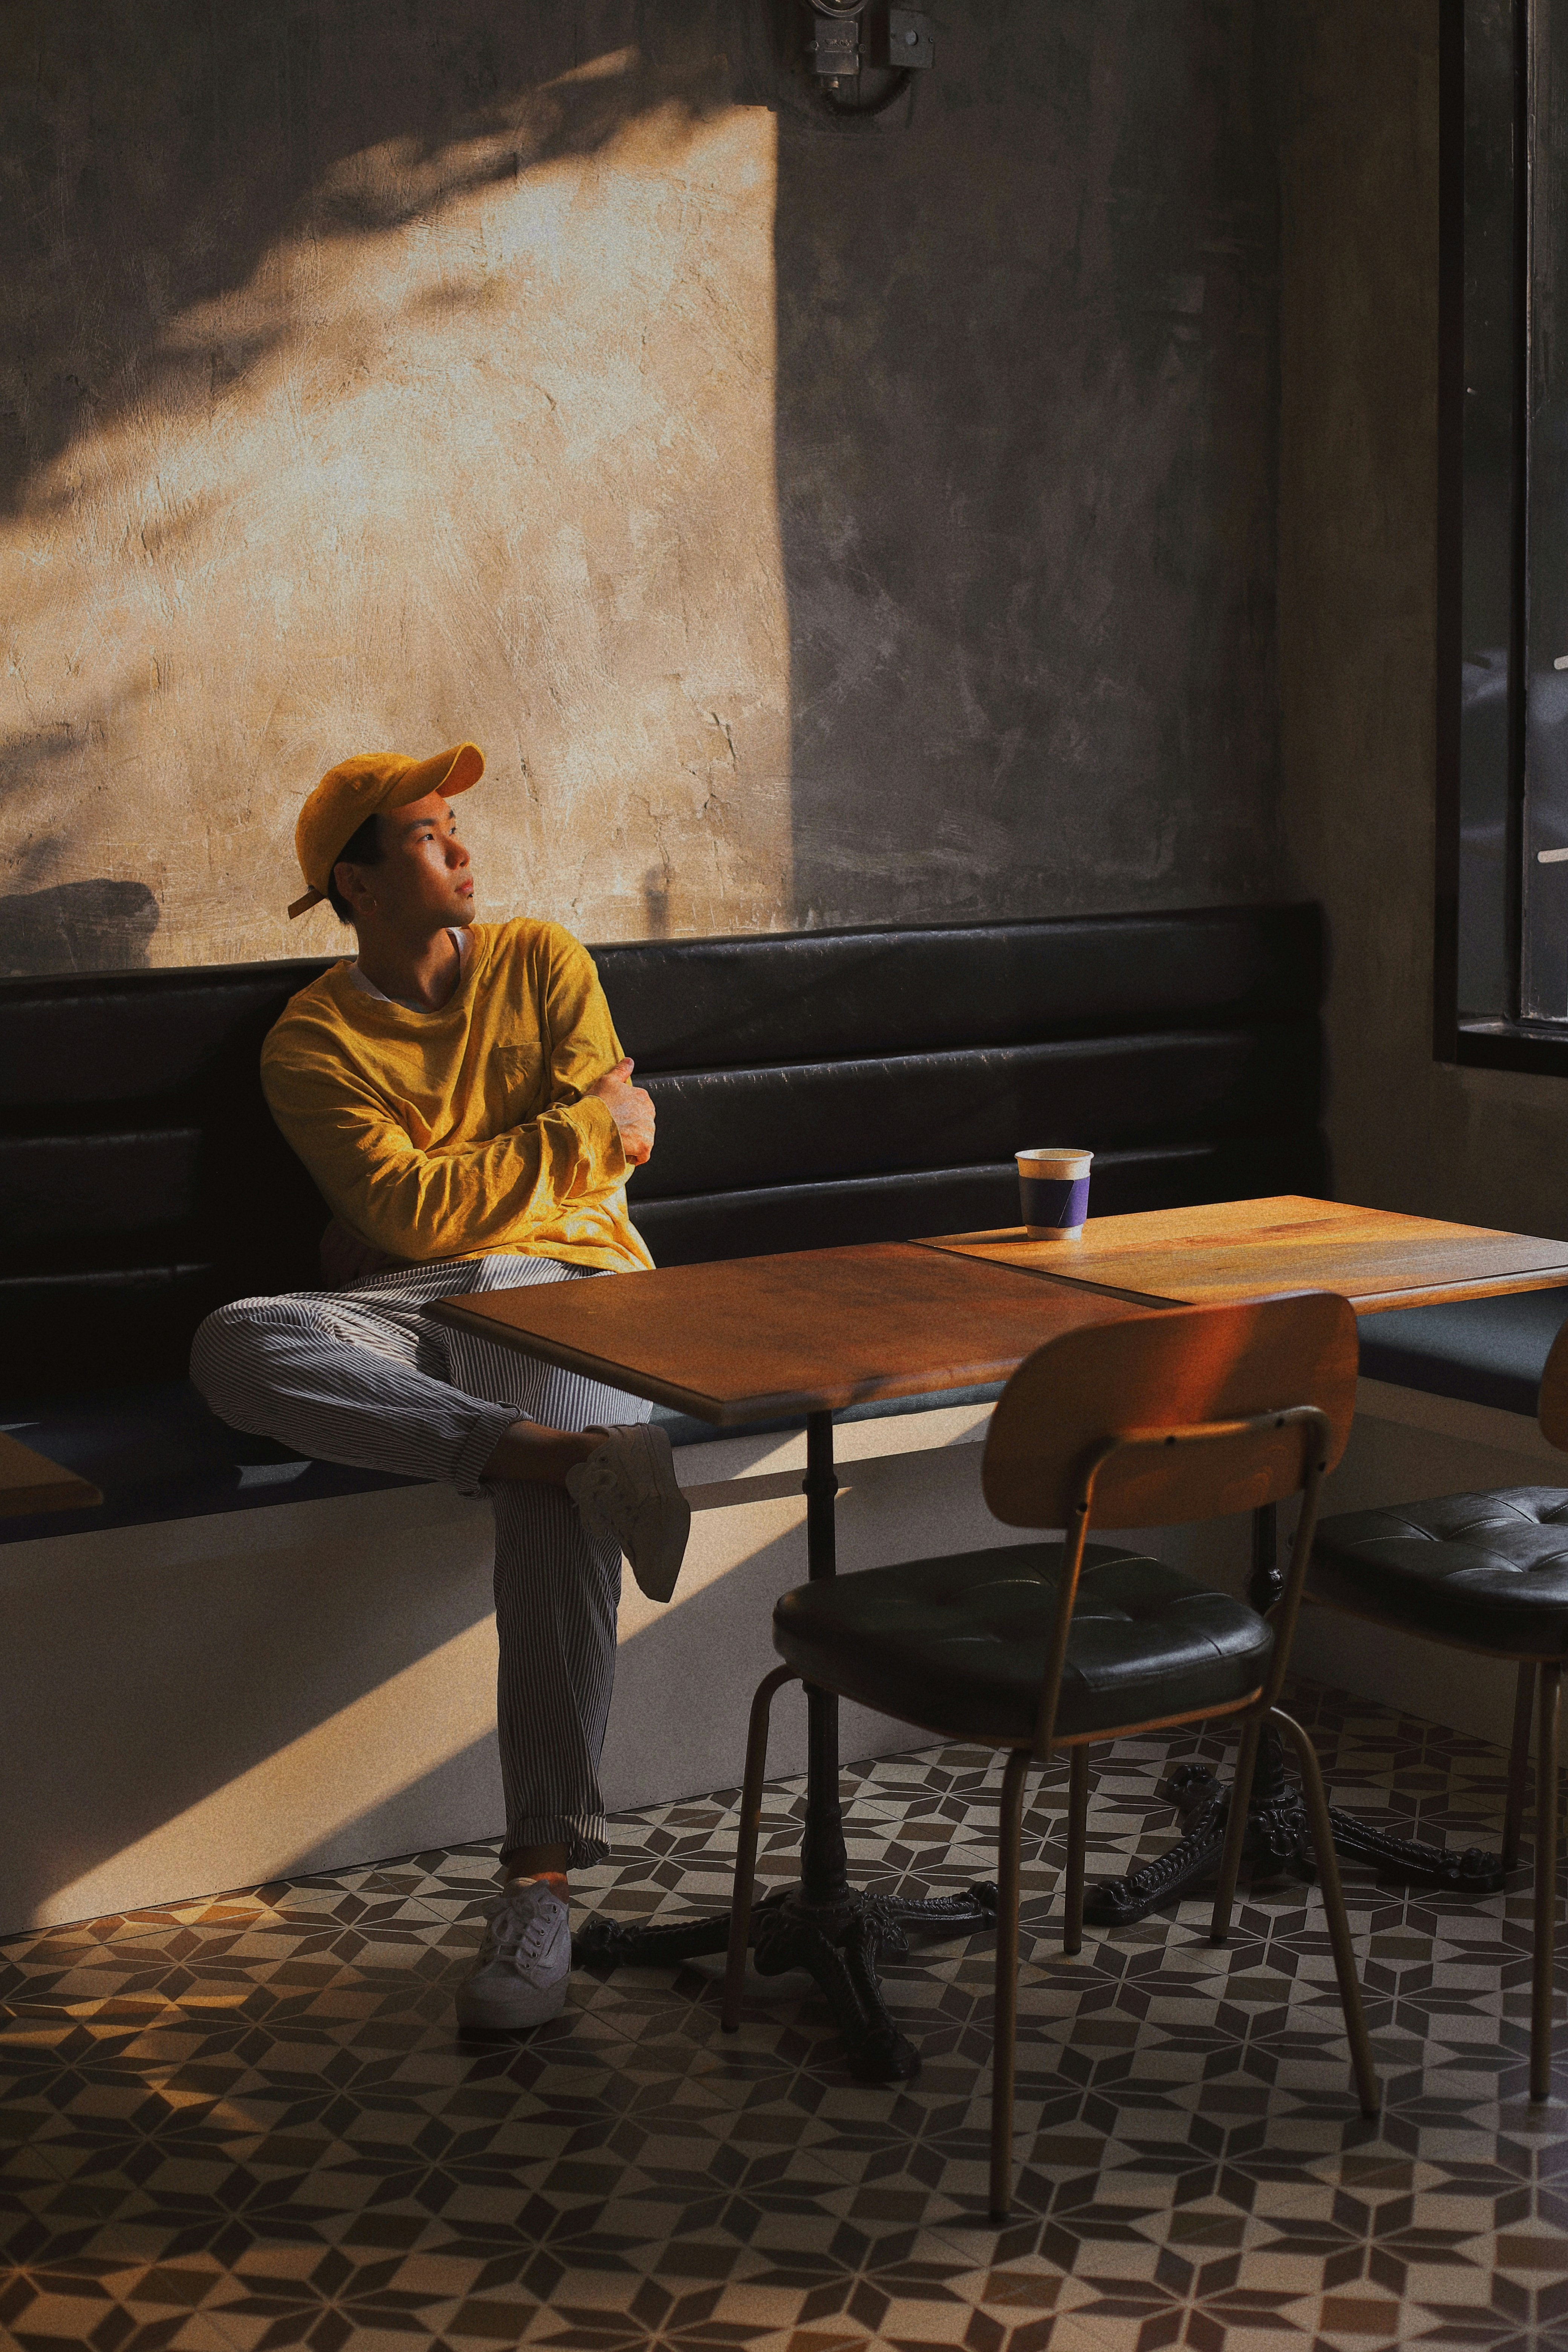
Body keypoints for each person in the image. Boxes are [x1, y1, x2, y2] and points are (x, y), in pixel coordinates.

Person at [190, 741, 691, 2033]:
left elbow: (572, 1179)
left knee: (552, 1485)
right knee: (240, 1342)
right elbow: (420, 1211)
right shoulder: (310, 1040)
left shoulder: (545, 960)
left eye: (456, 822)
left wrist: (451, 1195)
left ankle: (536, 1884)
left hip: (564, 1280)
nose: (462, 847)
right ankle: (564, 1452)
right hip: (417, 1300)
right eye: (424, 833)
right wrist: (575, 1138)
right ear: (353, 883)